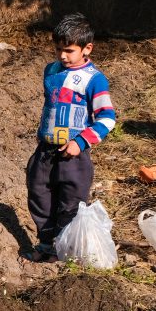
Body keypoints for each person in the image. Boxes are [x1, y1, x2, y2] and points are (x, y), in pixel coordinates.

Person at [24, 13, 117, 263]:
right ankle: (46, 244)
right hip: (46, 150)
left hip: (73, 155)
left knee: (70, 204)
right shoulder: (51, 71)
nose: (62, 56)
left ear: (87, 48)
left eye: (68, 50)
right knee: (39, 195)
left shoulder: (94, 79)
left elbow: (107, 118)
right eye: (58, 49)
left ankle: (64, 250)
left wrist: (81, 141)